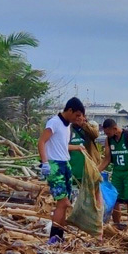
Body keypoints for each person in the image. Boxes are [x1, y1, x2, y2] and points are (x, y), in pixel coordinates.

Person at [38, 97, 86, 244]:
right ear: (69, 110)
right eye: (77, 115)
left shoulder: (67, 127)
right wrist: (45, 163)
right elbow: (41, 142)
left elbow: (62, 146)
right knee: (63, 202)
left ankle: (59, 236)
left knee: (65, 203)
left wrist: (77, 147)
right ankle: (54, 236)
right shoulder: (54, 123)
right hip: (55, 165)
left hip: (66, 164)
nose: (77, 118)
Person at [100, 118, 128, 226]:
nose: (107, 135)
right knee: (115, 199)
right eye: (105, 133)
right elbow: (107, 159)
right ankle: (117, 225)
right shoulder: (108, 140)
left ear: (115, 128)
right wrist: (95, 171)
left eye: (108, 132)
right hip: (117, 172)